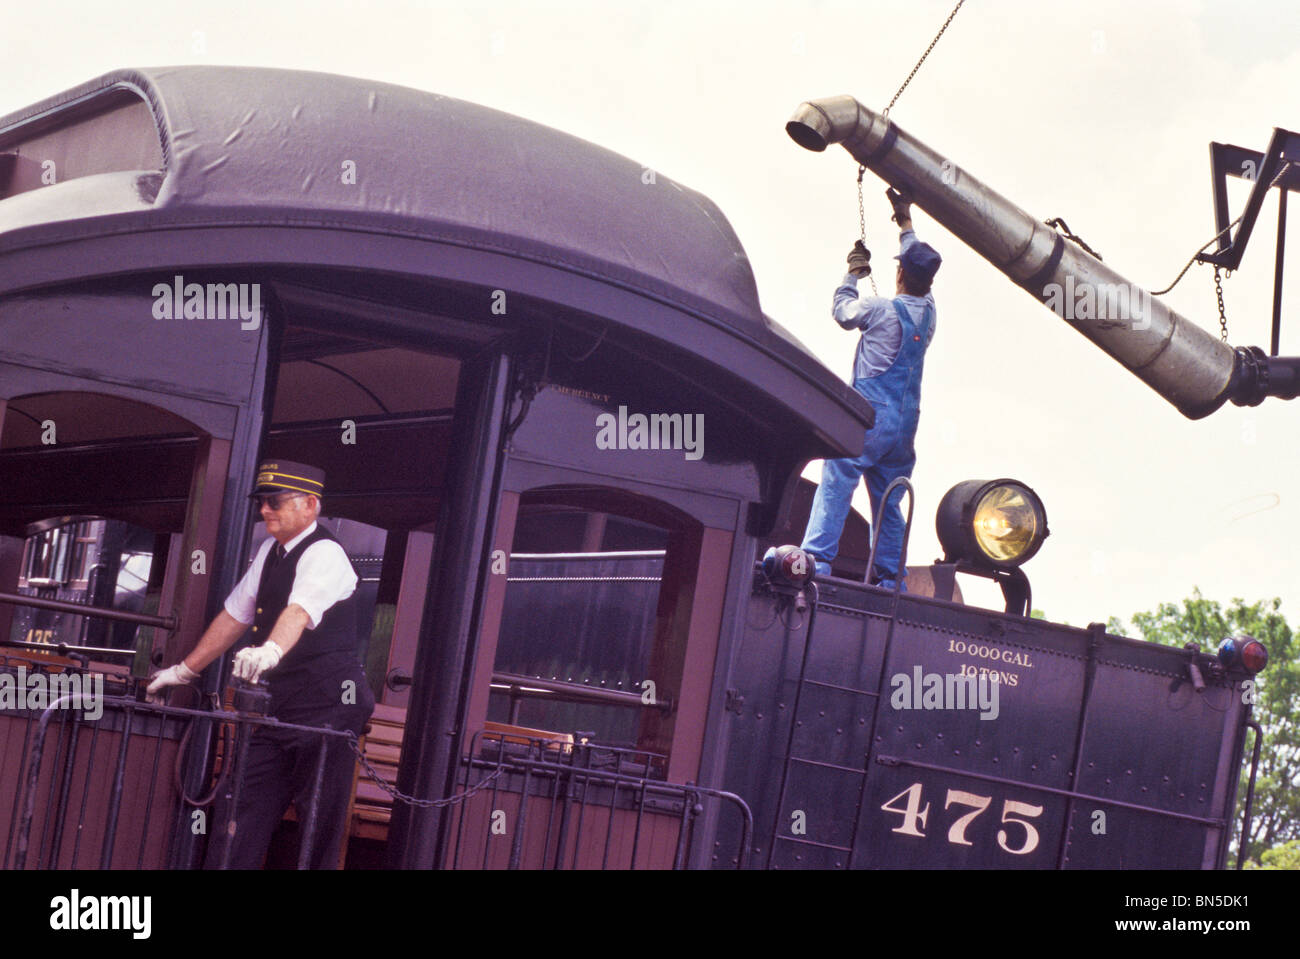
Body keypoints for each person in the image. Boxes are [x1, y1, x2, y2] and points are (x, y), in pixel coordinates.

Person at [147, 459, 375, 868]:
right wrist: (184, 670)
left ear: (310, 505)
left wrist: (270, 651)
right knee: (239, 814)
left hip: (327, 706)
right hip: (277, 707)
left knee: (317, 827)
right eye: (262, 502)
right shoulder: (270, 550)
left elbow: (299, 611)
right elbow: (236, 615)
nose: (265, 510)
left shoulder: (326, 553)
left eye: (275, 501)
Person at [801, 188, 942, 590]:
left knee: (838, 475)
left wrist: (852, 274)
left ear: (899, 273)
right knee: (889, 500)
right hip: (904, 426)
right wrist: (905, 220)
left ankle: (817, 562)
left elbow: (843, 313)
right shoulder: (929, 312)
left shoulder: (880, 309)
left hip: (870, 417)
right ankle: (890, 579)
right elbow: (919, 263)